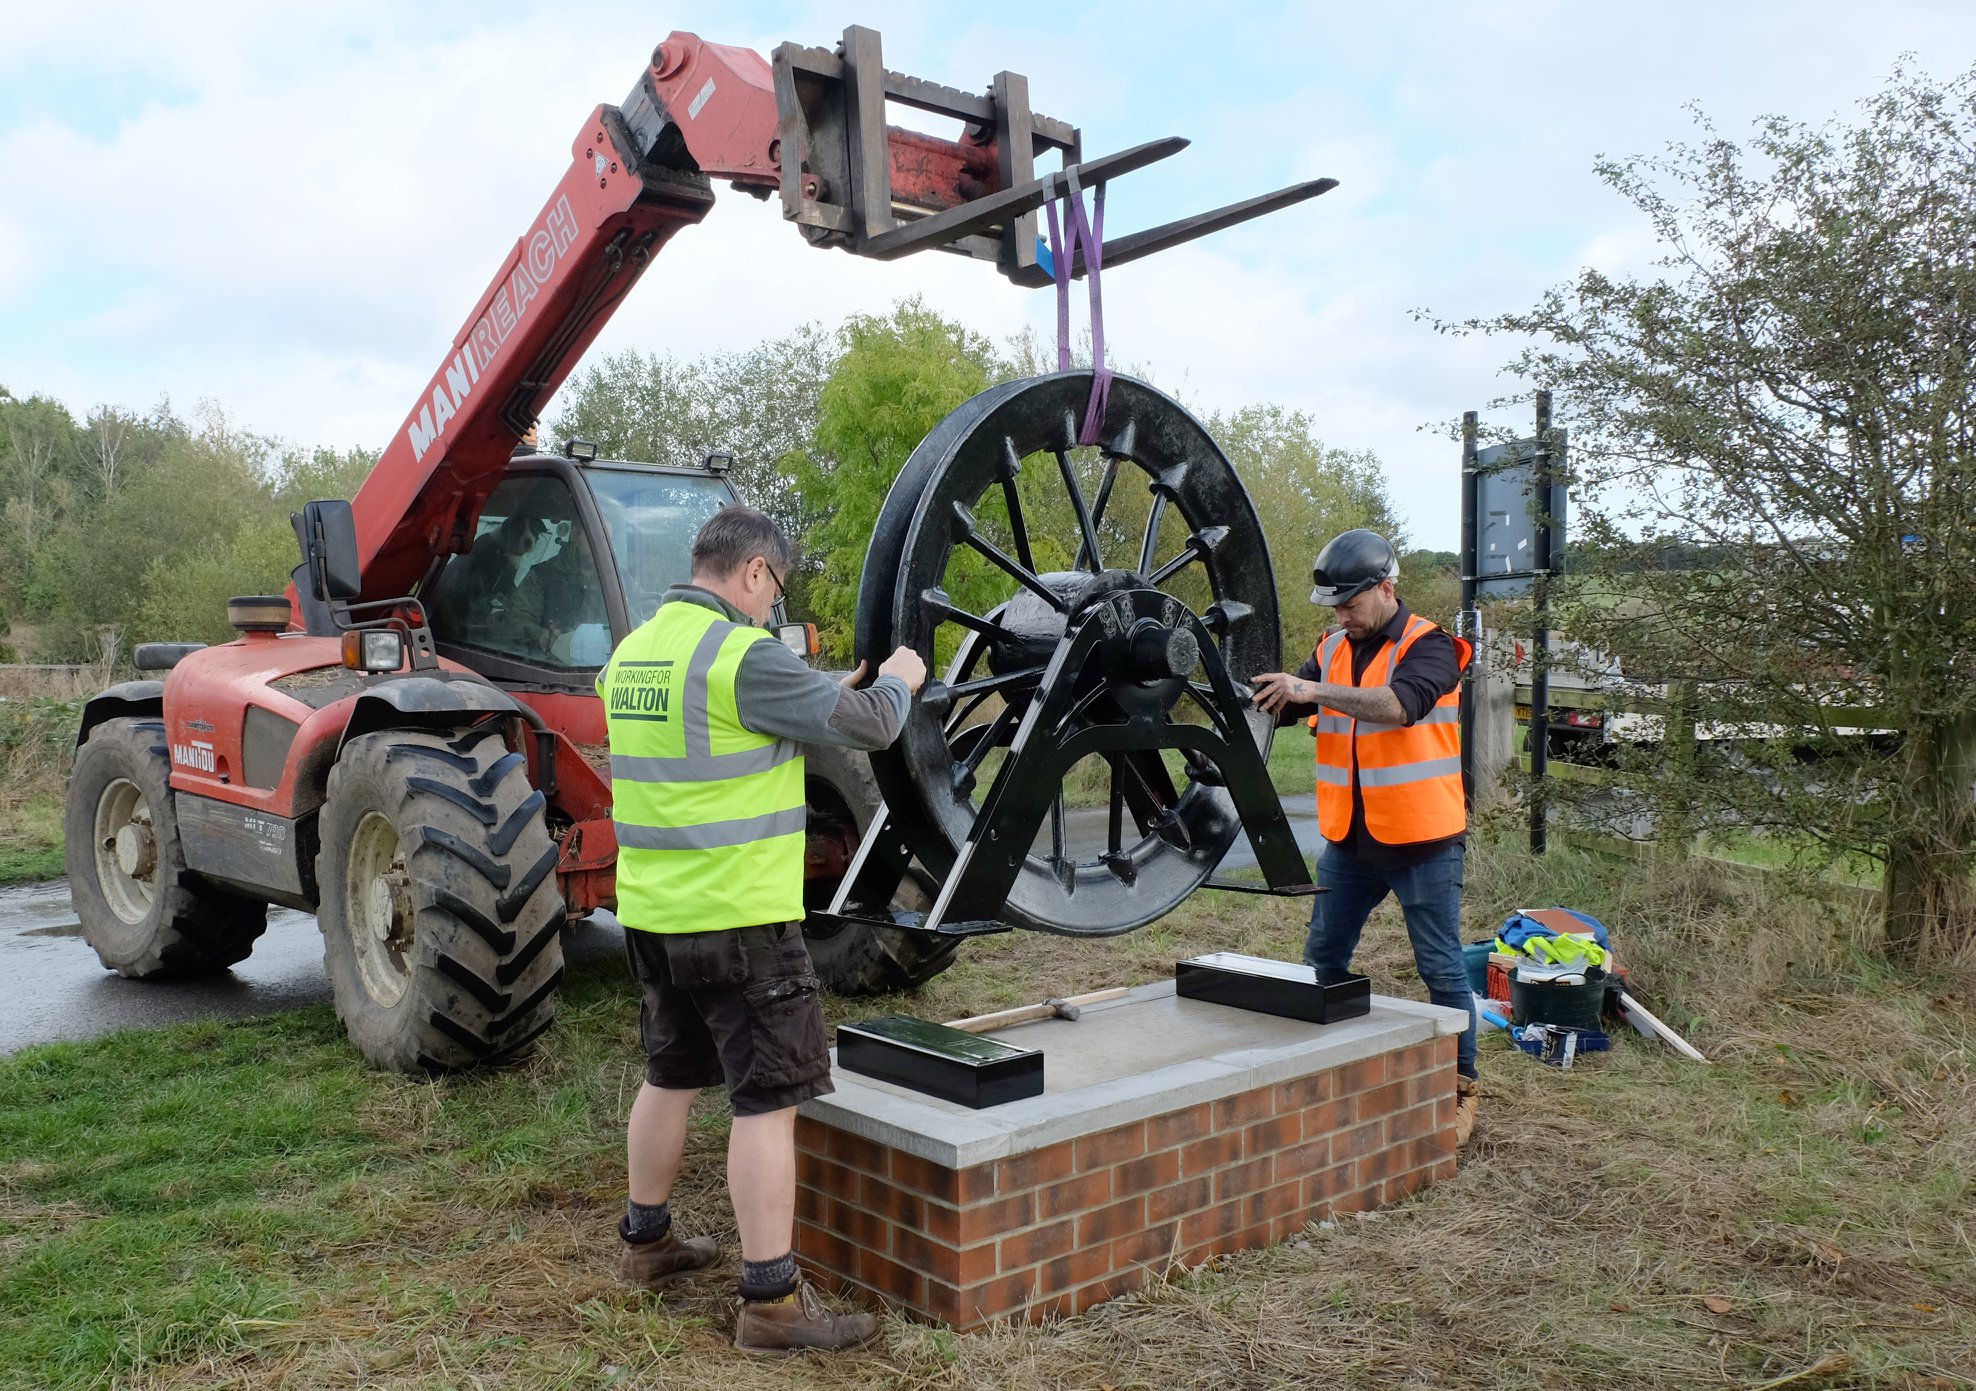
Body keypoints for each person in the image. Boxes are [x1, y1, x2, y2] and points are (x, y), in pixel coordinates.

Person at [596, 505, 928, 1355]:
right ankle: (771, 1304)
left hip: (654, 914)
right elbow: (875, 725)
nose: (772, 603)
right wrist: (898, 678)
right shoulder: (742, 654)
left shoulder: (634, 654)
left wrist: (827, 692)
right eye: (774, 587)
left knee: (669, 1075)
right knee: (769, 1103)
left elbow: (710, 732)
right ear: (752, 571)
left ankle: (645, 1242)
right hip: (738, 919)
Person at [1252, 528, 1480, 1146]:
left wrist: (1310, 690)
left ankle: (1460, 1088)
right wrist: (1260, 691)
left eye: (1350, 604)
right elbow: (1286, 704)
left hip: (1423, 841)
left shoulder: (1432, 645)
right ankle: (1321, 1071)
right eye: (1334, 607)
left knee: (1441, 969)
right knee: (1322, 959)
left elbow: (1400, 706)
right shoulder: (1332, 647)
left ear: (1386, 588)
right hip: (1350, 843)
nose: (1342, 617)